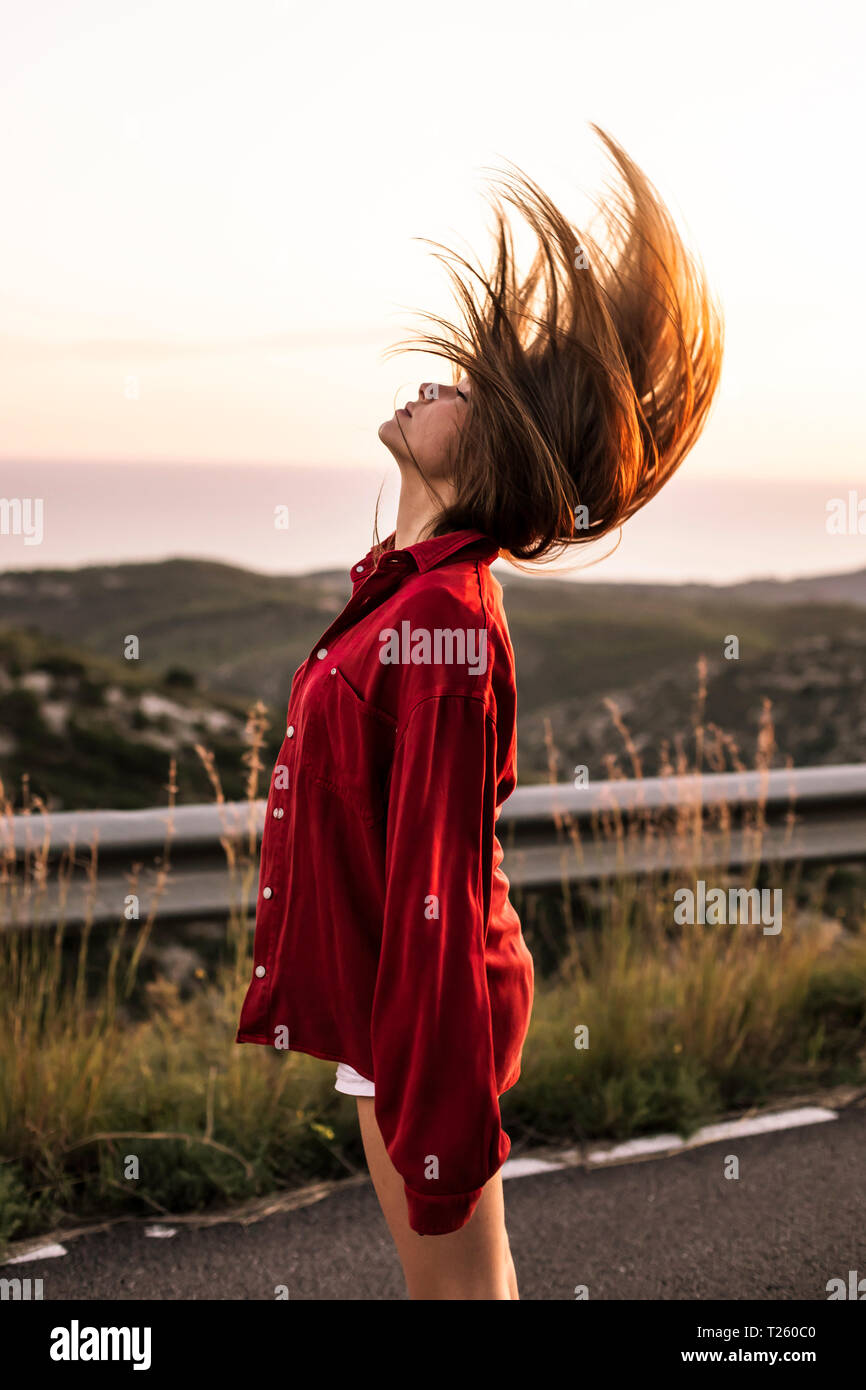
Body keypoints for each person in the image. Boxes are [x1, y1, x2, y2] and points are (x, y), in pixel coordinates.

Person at [236, 124, 724, 1300]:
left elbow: (438, 886)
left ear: (498, 441)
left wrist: (437, 1107)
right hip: (388, 1008)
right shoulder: (401, 591)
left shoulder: (443, 623)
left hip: (424, 1011)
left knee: (461, 1295)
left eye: (465, 387)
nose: (432, 383)